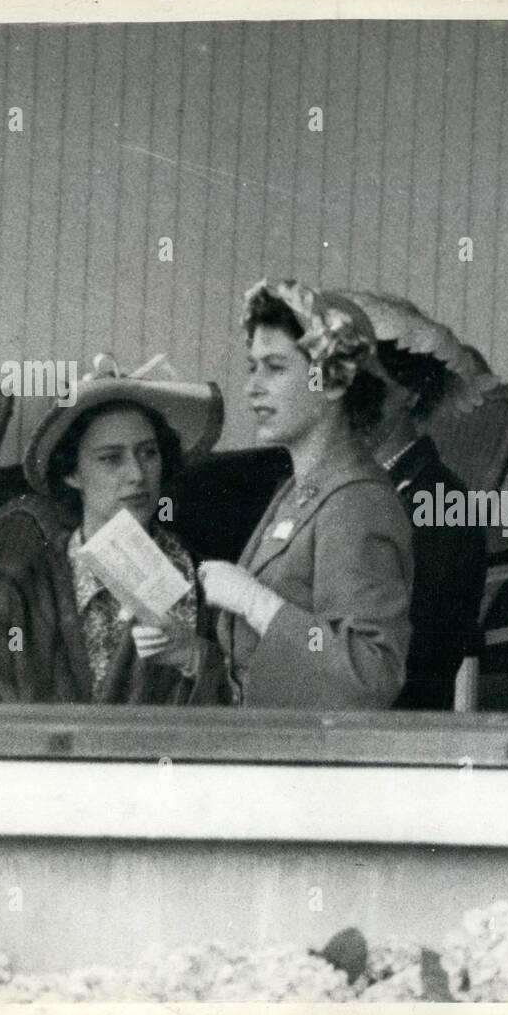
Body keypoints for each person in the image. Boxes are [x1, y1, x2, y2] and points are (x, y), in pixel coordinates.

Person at [137, 279, 413, 710]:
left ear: (334, 382)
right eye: (253, 367)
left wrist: (257, 603)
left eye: (276, 367)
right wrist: (193, 655)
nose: (253, 386)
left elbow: (369, 674)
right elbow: (264, 674)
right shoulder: (298, 492)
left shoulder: (356, 504)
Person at [0, 359, 224, 703]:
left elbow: (248, 699)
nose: (137, 474)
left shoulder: (207, 586)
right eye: (111, 458)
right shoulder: (14, 592)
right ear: (72, 472)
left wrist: (200, 658)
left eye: (148, 453)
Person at [343, 290, 492, 710]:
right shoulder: (349, 484)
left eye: (367, 380)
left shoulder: (444, 505)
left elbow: (416, 659)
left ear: (410, 391)